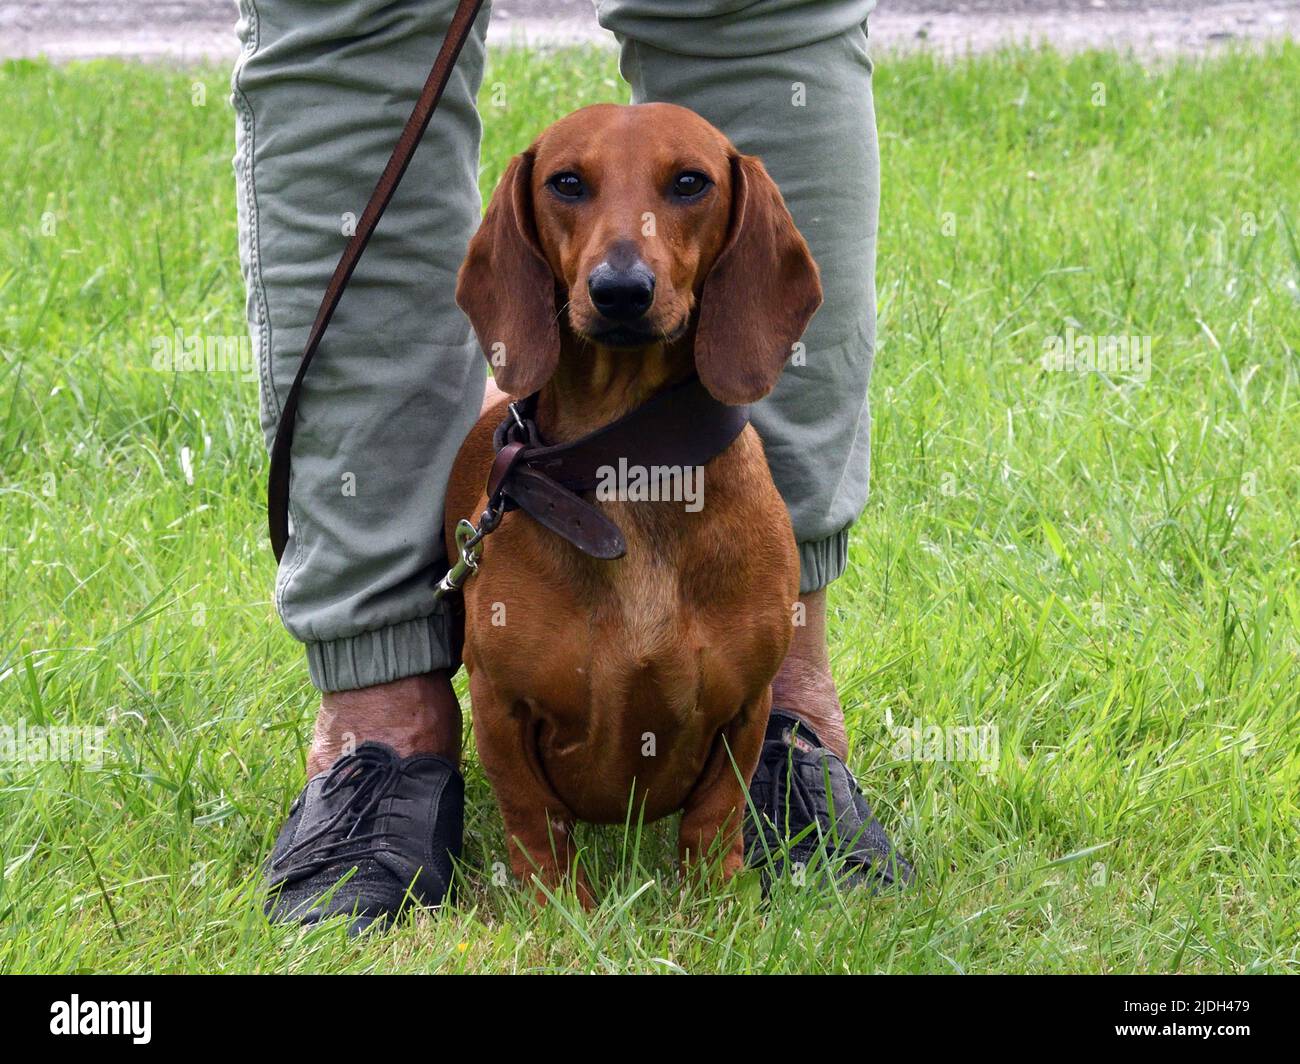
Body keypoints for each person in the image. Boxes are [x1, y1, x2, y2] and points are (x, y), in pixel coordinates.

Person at [234, 0, 909, 929]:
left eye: (683, 188)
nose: (619, 258)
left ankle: (781, 713)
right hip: (529, 510)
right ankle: (379, 730)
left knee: (752, 5)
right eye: (572, 191)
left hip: (726, 487)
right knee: (356, 11)